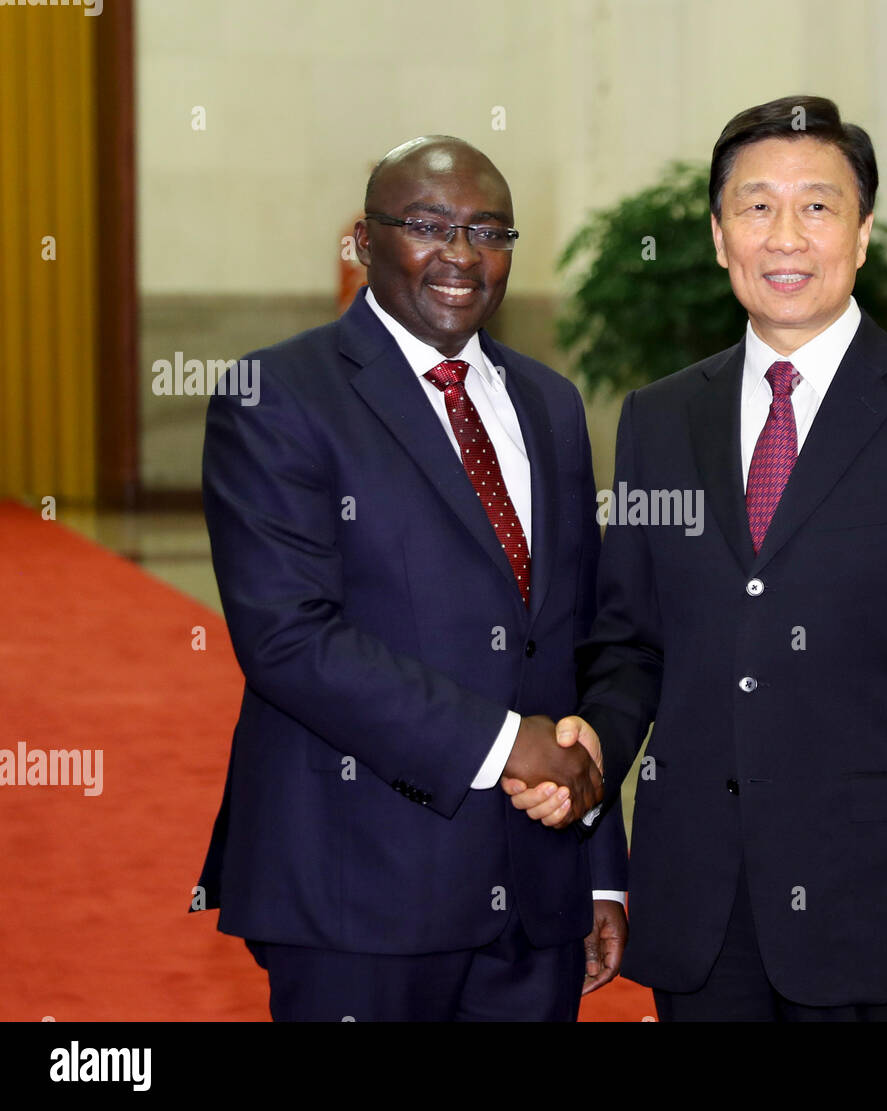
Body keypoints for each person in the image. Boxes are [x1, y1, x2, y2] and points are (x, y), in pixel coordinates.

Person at [508, 96, 887, 1021]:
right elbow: (632, 638)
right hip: (700, 910)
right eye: (757, 207)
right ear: (721, 238)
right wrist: (597, 735)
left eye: (818, 206)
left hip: (884, 910)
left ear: (863, 233)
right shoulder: (660, 418)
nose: (785, 235)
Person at [192, 135, 627, 1022]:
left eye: (490, 231)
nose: (462, 255)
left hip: (536, 891)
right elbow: (289, 638)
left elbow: (573, 643)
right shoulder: (278, 393)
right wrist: (509, 743)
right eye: (428, 225)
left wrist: (598, 867)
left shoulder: (550, 402)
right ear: (364, 239)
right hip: (361, 888)